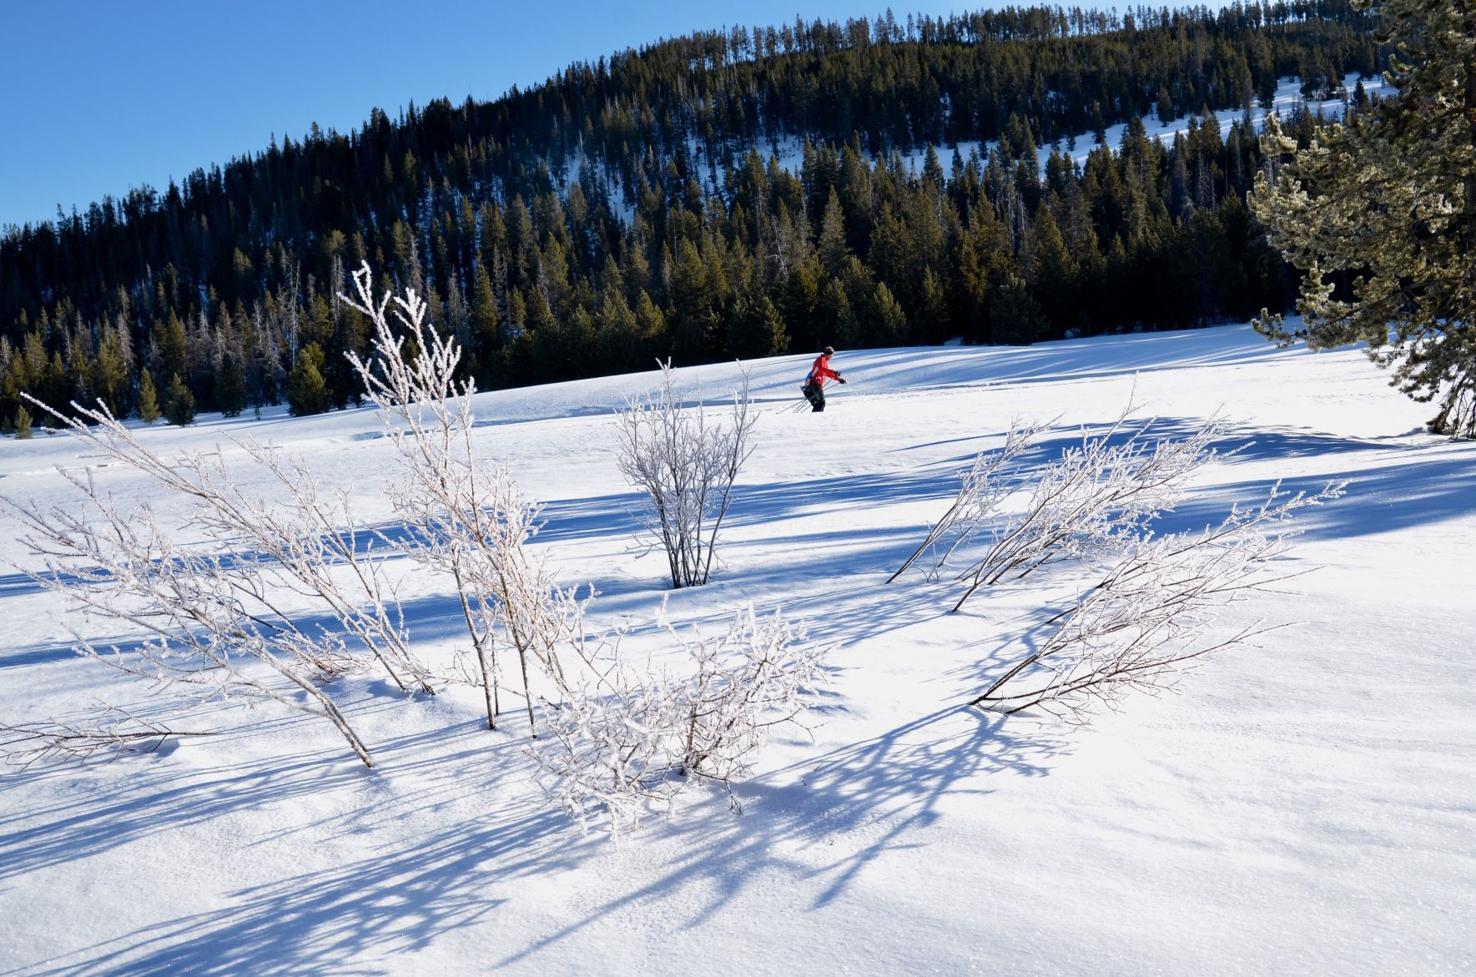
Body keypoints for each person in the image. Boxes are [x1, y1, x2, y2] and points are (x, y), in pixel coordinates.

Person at [801, 345, 846, 412]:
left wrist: (839, 379)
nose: (832, 356)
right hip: (815, 383)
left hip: (815, 384)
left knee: (818, 404)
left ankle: (814, 419)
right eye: (832, 354)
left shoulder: (824, 361)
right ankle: (817, 419)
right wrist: (834, 372)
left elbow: (827, 373)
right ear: (829, 353)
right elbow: (822, 369)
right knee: (821, 403)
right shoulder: (821, 359)